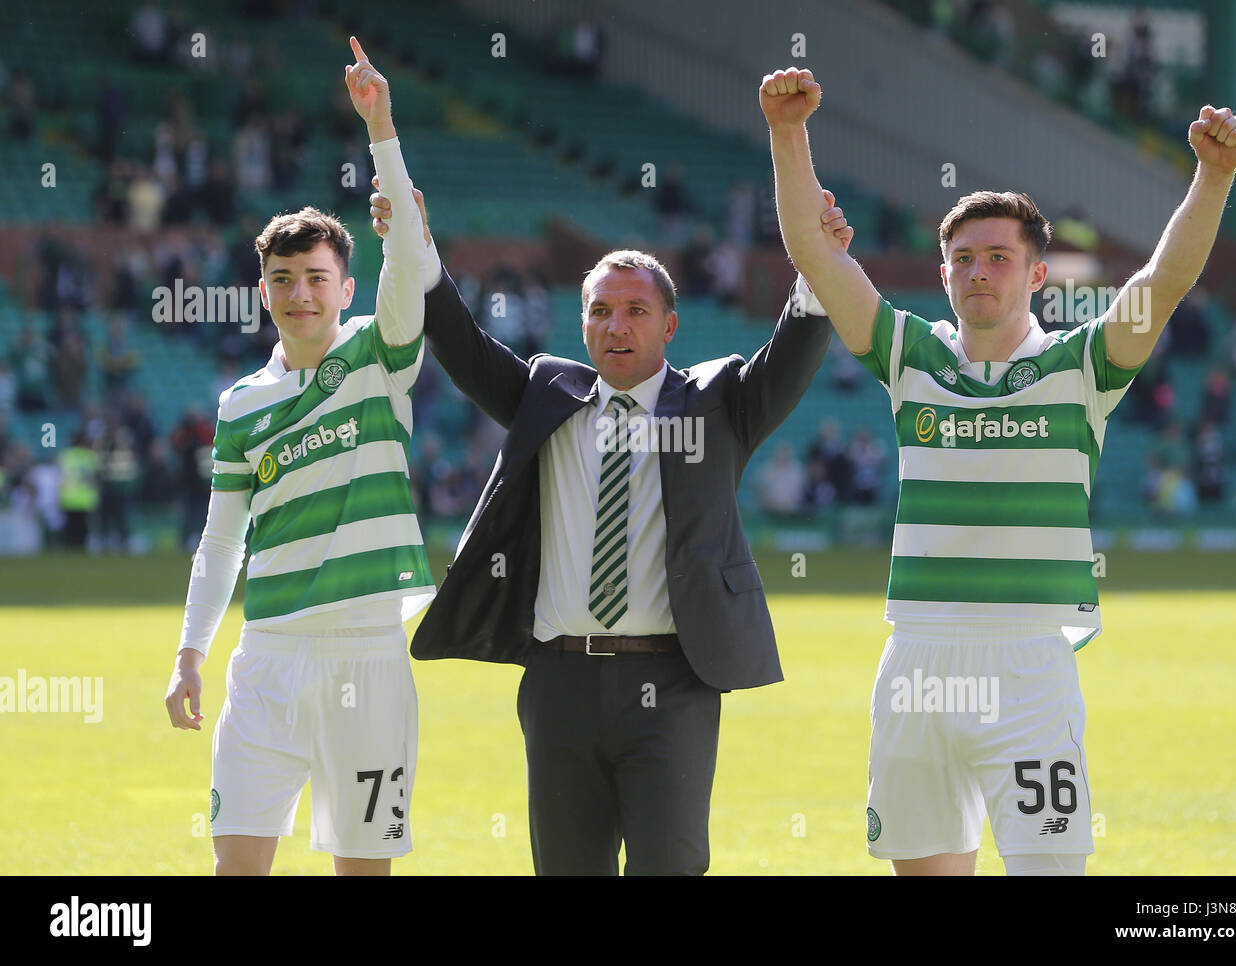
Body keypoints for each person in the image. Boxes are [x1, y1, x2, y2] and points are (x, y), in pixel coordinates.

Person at [762, 65, 1236, 876]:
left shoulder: (1083, 364)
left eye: (997, 257)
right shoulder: (907, 355)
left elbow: (1163, 284)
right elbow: (814, 250)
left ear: (1036, 275)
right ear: (945, 272)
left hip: (1029, 664)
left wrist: (1212, 176)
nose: (978, 272)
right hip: (918, 661)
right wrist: (788, 135)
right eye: (962, 259)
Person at [370, 188, 853, 877]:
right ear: (583, 322)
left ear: (670, 326)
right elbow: (462, 343)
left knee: (669, 866)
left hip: (673, 678)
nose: (616, 325)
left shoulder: (718, 404)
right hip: (559, 681)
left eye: (635, 311)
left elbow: (793, 350)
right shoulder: (548, 396)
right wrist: (414, 245)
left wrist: (818, 261)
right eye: (600, 310)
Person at [164, 38, 436, 876]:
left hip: (370, 654)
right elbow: (221, 542)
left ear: (345, 289)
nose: (301, 292)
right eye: (284, 278)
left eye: (317, 277)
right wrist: (189, 654)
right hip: (269, 657)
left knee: (363, 870)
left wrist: (380, 127)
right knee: (235, 869)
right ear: (264, 291)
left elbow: (414, 266)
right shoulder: (241, 405)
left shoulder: (381, 355)